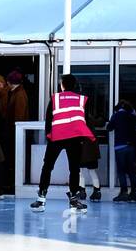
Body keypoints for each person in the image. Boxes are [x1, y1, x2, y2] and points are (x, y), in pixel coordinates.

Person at [31, 74, 92, 212]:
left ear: (62, 85)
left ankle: (41, 199)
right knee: (74, 169)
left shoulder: (55, 98)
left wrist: (49, 136)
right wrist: (81, 139)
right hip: (75, 138)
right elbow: (85, 119)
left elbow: (48, 118)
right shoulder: (82, 99)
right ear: (75, 85)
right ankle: (74, 200)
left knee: (47, 166)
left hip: (57, 137)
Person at [106, 99, 136, 202]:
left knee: (121, 170)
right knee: (131, 170)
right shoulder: (132, 116)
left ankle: (124, 192)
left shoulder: (116, 116)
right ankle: (134, 193)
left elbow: (109, 128)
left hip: (120, 146)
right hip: (131, 146)